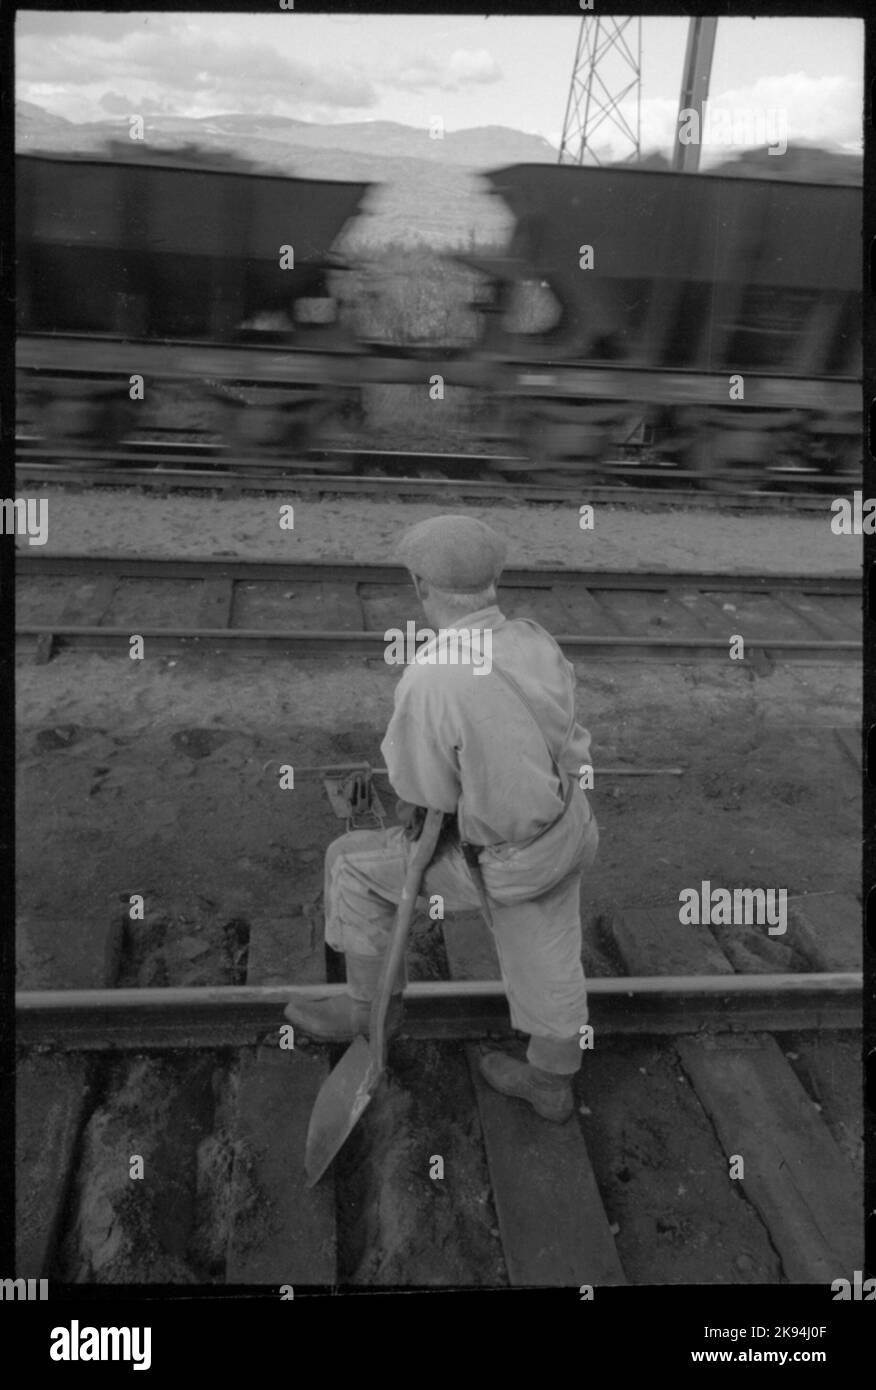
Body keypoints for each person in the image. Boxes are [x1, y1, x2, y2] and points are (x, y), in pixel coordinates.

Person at [284, 514, 598, 1122]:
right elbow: (565, 736)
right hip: (567, 828)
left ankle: (367, 1011)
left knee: (350, 864)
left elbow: (421, 792)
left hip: (503, 860)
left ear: (422, 587)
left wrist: (439, 803)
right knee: (547, 943)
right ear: (494, 582)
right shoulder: (535, 639)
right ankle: (552, 1079)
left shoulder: (432, 678)